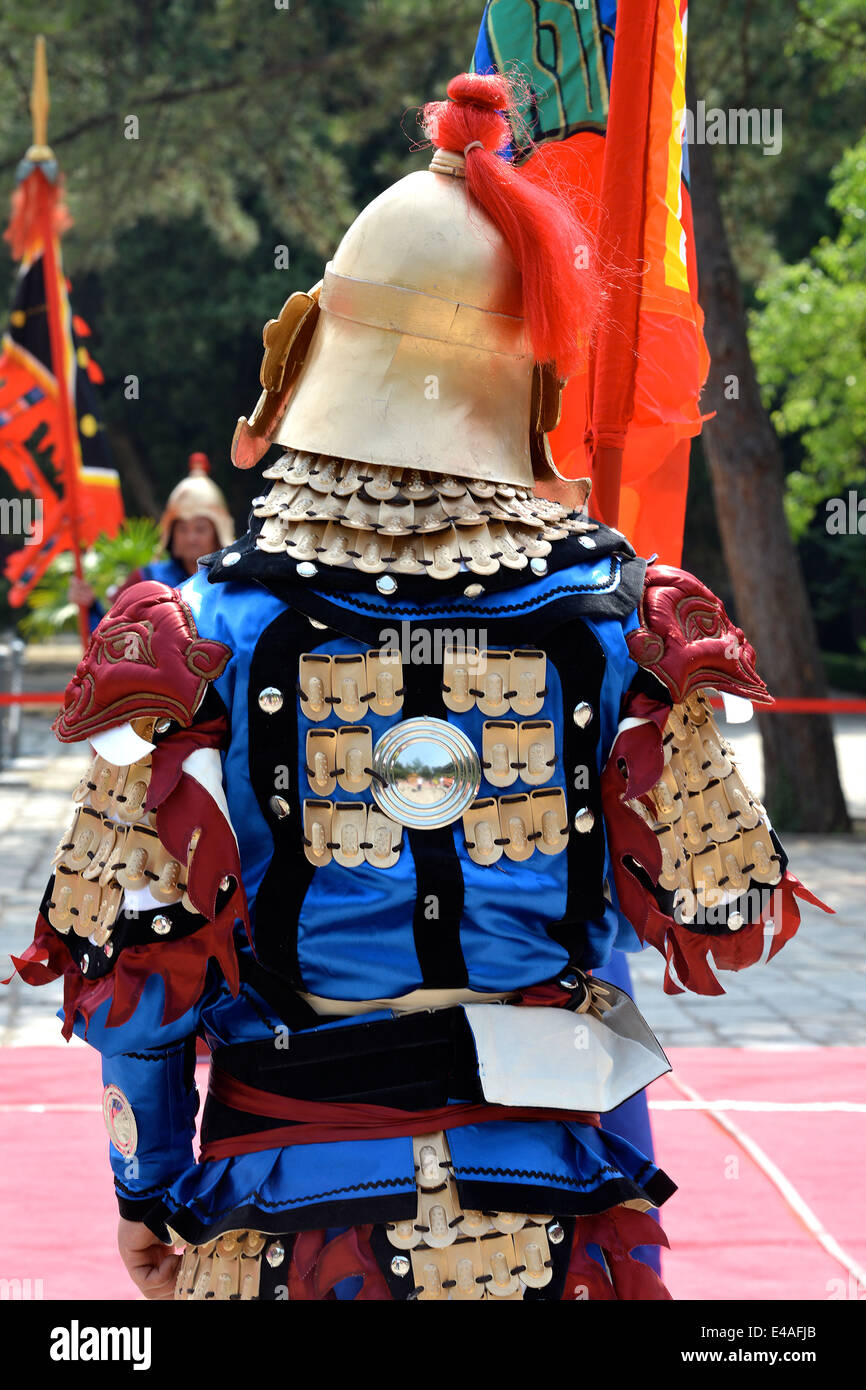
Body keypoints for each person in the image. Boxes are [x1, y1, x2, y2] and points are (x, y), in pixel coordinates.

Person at [10, 72, 827, 1302]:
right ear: (522, 374)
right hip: (557, 1206)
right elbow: (700, 912)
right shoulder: (620, 610)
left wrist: (145, 1188)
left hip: (286, 1213)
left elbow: (143, 971)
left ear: (315, 348)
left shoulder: (199, 624)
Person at [68, 452, 234, 630]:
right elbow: (111, 633)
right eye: (183, 529)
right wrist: (90, 605)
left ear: (217, 532)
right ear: (172, 534)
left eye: (200, 529)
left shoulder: (234, 582)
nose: (191, 538)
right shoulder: (147, 579)